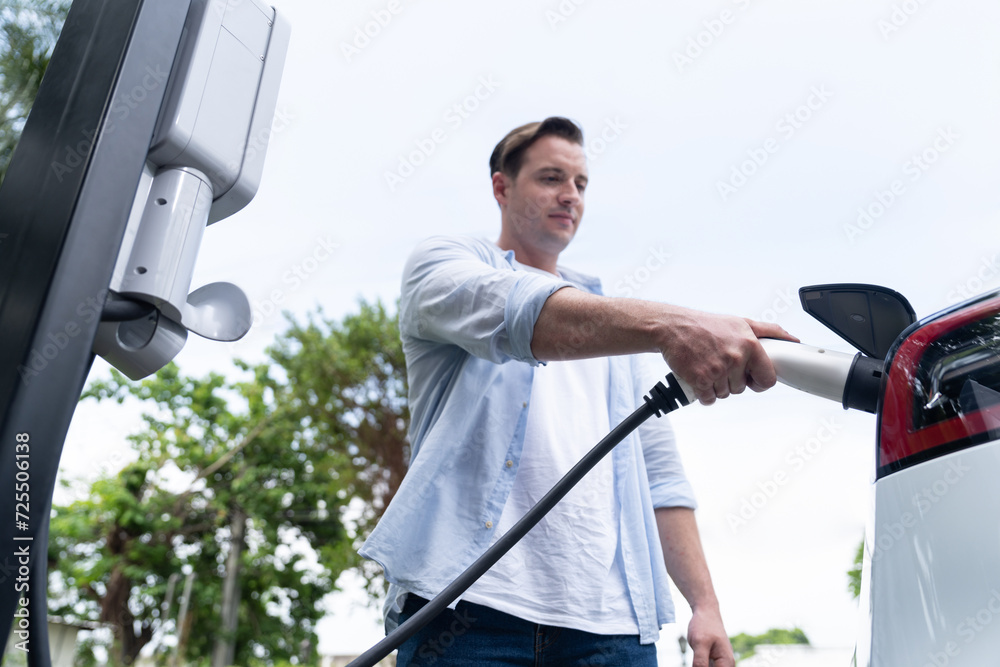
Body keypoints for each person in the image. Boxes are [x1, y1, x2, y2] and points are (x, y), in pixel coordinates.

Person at [360, 117, 796, 666]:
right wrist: (673, 326)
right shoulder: (444, 265)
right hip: (466, 615)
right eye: (550, 178)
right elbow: (521, 313)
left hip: (610, 629)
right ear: (501, 187)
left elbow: (660, 478)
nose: (569, 196)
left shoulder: (620, 331)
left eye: (581, 183)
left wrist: (704, 605)